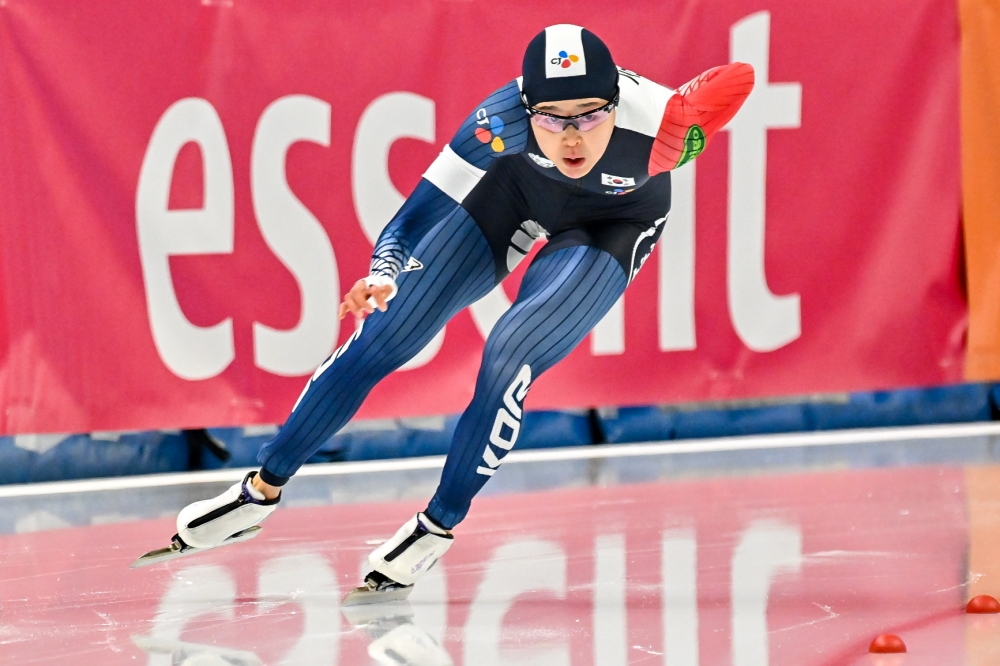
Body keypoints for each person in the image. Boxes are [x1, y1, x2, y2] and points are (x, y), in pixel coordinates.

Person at [174, 24, 753, 598]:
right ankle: (258, 491)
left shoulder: (666, 127)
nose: (572, 136)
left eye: (590, 115)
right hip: (516, 197)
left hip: (614, 225)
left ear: (617, 104)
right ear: (527, 110)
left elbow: (741, 78)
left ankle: (435, 527)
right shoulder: (496, 122)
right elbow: (411, 220)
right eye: (552, 119)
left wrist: (692, 112)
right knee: (386, 331)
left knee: (509, 355)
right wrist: (382, 274)